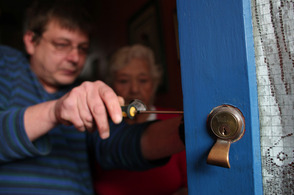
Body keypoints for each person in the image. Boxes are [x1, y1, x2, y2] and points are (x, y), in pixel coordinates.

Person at [0, 1, 185, 194]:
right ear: (31, 41)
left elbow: (117, 144)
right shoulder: (5, 63)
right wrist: (54, 111)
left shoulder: (82, 88)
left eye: (82, 48)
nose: (75, 58)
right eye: (62, 45)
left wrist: (183, 131)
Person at [93, 44, 188, 195]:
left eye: (143, 80)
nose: (134, 89)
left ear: (154, 83)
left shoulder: (176, 123)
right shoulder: (100, 127)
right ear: (111, 86)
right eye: (124, 81)